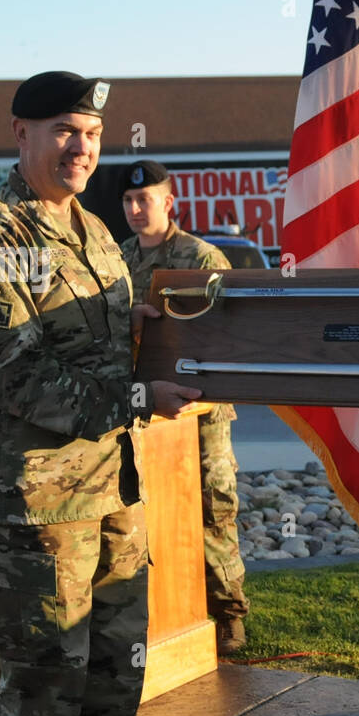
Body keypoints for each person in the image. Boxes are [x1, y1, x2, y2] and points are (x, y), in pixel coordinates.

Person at [0, 71, 201, 716]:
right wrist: (142, 398)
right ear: (20, 133)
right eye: (63, 130)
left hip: (112, 497)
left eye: (91, 133)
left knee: (114, 682)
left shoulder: (93, 234)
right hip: (36, 519)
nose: (81, 146)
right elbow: (23, 379)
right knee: (47, 697)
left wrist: (155, 336)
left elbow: (104, 349)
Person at [119, 159, 250, 655]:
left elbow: (226, 331)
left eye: (144, 199)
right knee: (150, 513)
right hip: (143, 409)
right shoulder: (117, 258)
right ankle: (166, 613)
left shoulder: (199, 257)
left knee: (213, 507)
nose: (135, 209)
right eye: (128, 201)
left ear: (168, 202)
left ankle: (228, 613)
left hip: (201, 407)